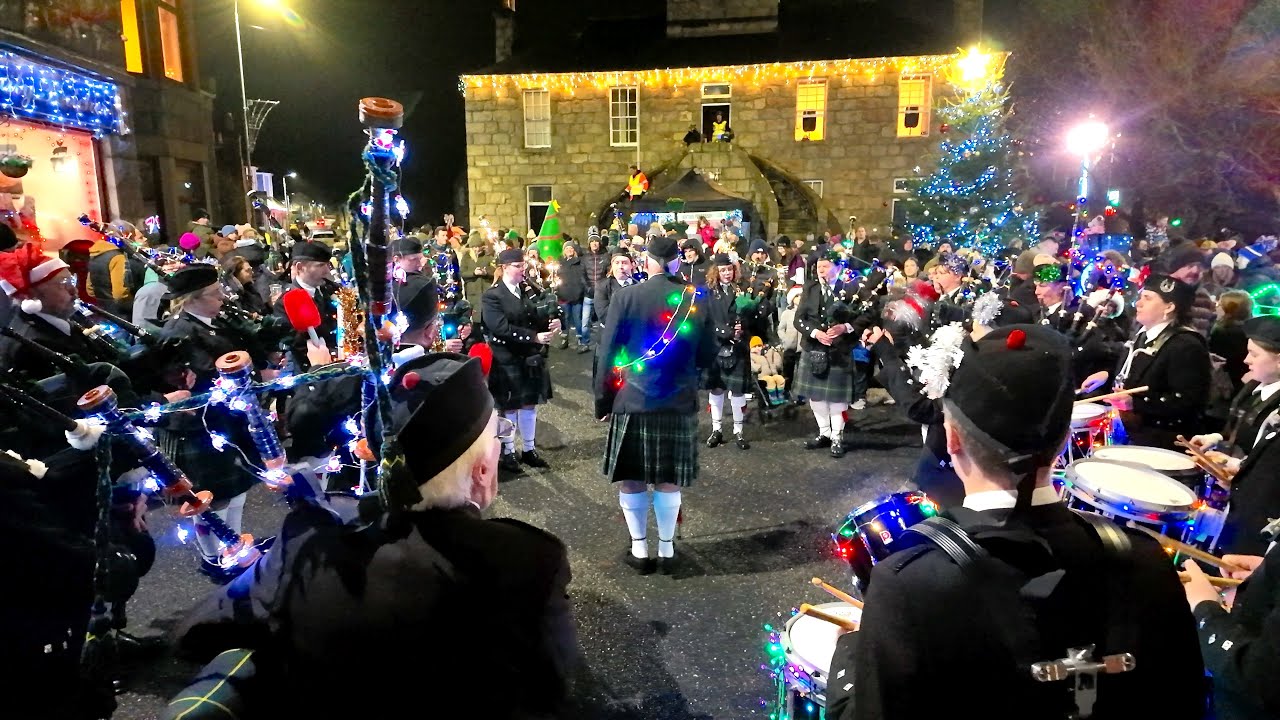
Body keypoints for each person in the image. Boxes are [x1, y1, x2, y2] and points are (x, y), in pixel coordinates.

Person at [827, 324, 1206, 720]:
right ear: (1062, 443)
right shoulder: (1147, 561)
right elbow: (1185, 702)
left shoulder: (908, 584)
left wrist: (849, 652)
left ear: (951, 439)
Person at [175, 353, 578, 719]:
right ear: (482, 472)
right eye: (498, 439)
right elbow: (551, 692)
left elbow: (200, 631)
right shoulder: (524, 561)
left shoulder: (313, 537)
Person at [595, 235, 715, 574]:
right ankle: (666, 551)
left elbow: (607, 354)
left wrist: (603, 401)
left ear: (646, 261)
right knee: (668, 477)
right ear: (677, 260)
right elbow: (707, 354)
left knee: (632, 476)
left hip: (632, 399)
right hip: (677, 400)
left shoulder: (626, 296)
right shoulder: (694, 298)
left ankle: (639, 551)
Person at [1081, 274, 1212, 450]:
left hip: (1163, 444)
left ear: (1169, 307)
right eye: (1141, 297)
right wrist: (1107, 375)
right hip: (1131, 433)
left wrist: (1135, 403)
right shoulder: (1143, 335)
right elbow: (1137, 373)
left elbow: (1190, 402)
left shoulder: (1187, 345)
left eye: (1147, 298)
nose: (1138, 303)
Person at [482, 248, 561, 474]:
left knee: (529, 403)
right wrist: (533, 336)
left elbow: (538, 315)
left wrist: (554, 322)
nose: (522, 270)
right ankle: (508, 452)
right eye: (518, 266)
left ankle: (528, 450)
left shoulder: (527, 291)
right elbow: (500, 327)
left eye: (523, 266)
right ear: (504, 268)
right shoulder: (492, 296)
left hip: (530, 357)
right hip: (506, 357)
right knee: (509, 407)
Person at [793, 249, 864, 457]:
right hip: (814, 348)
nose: (821, 270)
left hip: (839, 351)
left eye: (825, 266)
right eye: (818, 267)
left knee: (837, 400)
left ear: (838, 268)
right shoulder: (810, 288)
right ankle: (824, 433)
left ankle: (837, 437)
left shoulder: (850, 288)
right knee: (815, 397)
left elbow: (865, 316)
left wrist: (845, 328)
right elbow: (799, 319)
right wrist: (815, 333)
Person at [703, 254, 753, 451]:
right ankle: (716, 430)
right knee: (716, 389)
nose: (727, 273)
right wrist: (726, 332)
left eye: (730, 270)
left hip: (738, 347)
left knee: (738, 391)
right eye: (723, 270)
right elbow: (705, 319)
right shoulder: (709, 292)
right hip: (716, 346)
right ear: (716, 271)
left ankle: (738, 431)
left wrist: (743, 329)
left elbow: (752, 316)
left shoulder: (741, 290)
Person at [272, 241, 338, 372]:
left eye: (327, 264)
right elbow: (298, 345)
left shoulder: (330, 289)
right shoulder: (286, 302)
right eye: (320, 265)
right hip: (313, 371)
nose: (326, 271)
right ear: (300, 267)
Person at [554, 241, 590, 352]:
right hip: (563, 295)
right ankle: (564, 339)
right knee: (564, 319)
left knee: (577, 319)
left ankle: (581, 341)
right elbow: (557, 278)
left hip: (576, 296)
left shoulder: (579, 263)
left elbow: (581, 279)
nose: (569, 250)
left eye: (571, 248)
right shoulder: (560, 263)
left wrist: (580, 291)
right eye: (567, 248)